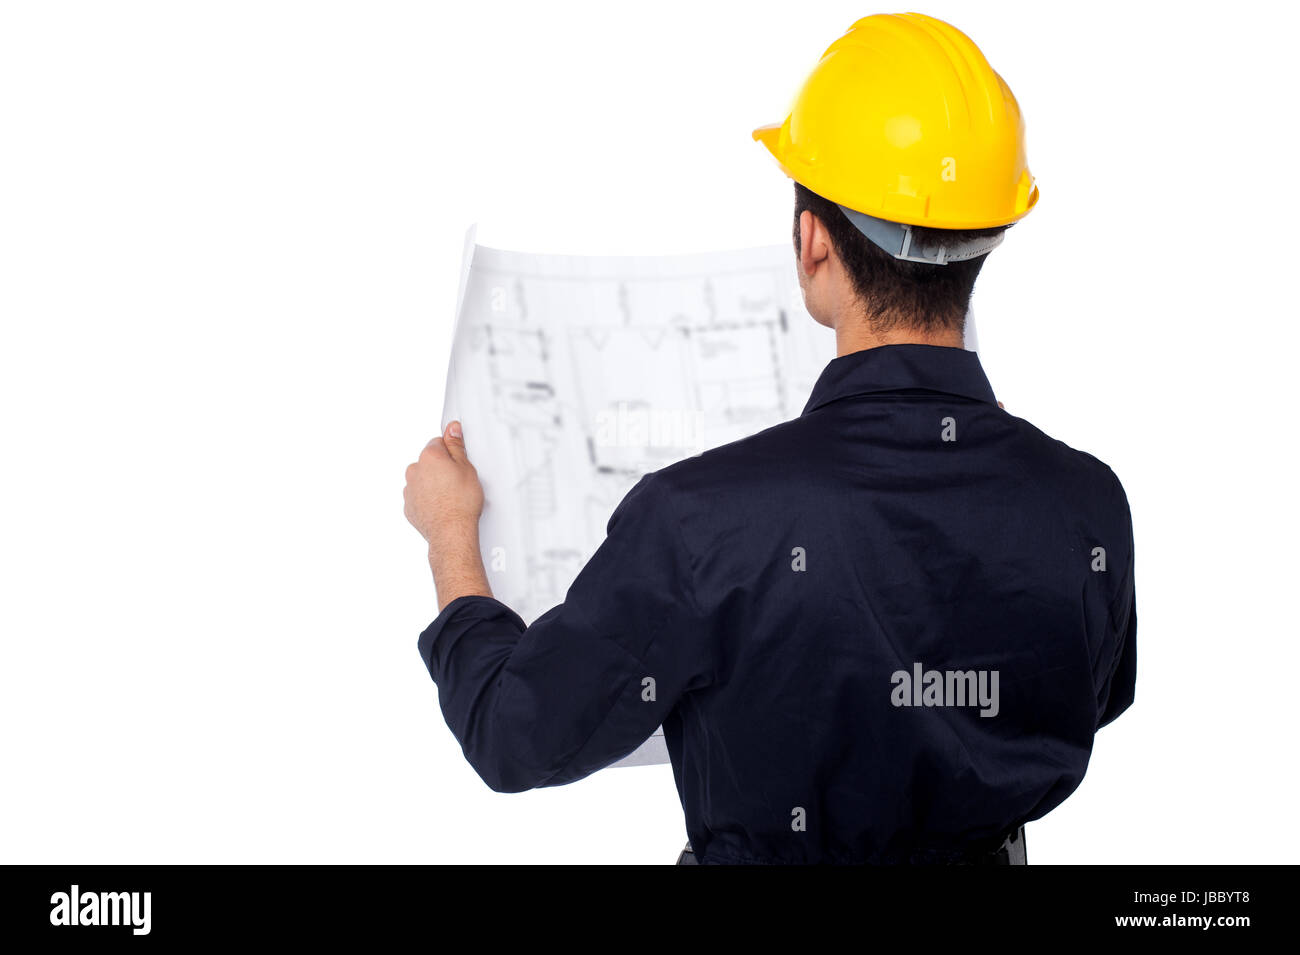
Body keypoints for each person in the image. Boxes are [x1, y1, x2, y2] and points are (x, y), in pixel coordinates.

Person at [403, 12, 1135, 865]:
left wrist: (452, 539)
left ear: (813, 238)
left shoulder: (701, 523)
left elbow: (512, 733)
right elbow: (1093, 697)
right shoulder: (1087, 503)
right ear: (988, 238)